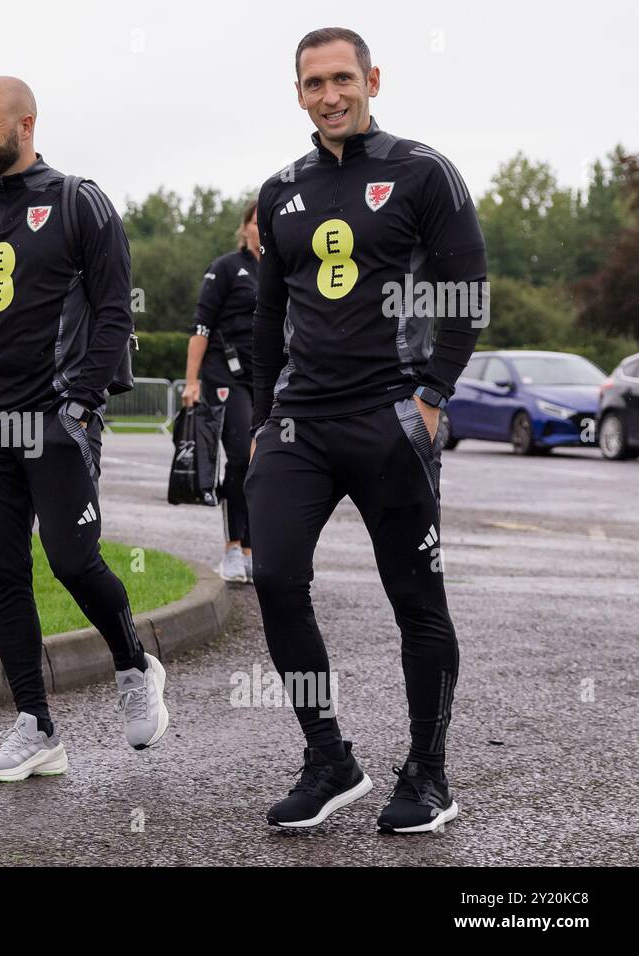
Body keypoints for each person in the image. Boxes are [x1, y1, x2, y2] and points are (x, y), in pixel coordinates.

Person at [245, 28, 486, 832]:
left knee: (414, 598)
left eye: (342, 78)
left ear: (372, 79)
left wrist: (432, 397)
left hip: (391, 418)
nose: (330, 95)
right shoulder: (281, 189)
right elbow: (270, 312)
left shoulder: (423, 172)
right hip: (300, 425)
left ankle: (429, 774)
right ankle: (329, 758)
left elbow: (466, 288)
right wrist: (264, 413)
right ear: (299, 93)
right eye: (314, 83)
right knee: (276, 579)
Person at [0, 77, 168, 782]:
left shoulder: (78, 201)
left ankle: (134, 665)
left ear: (26, 124)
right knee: (3, 574)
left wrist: (83, 405)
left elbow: (116, 313)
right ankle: (36, 725)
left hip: (58, 421)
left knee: (72, 559)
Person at [182, 199, 260, 584]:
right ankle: (232, 548)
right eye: (257, 223)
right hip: (225, 378)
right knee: (242, 459)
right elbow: (201, 328)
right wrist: (192, 380)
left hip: (265, 380)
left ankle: (250, 551)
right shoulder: (227, 268)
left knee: (264, 466)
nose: (263, 231)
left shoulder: (283, 272)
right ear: (245, 228)